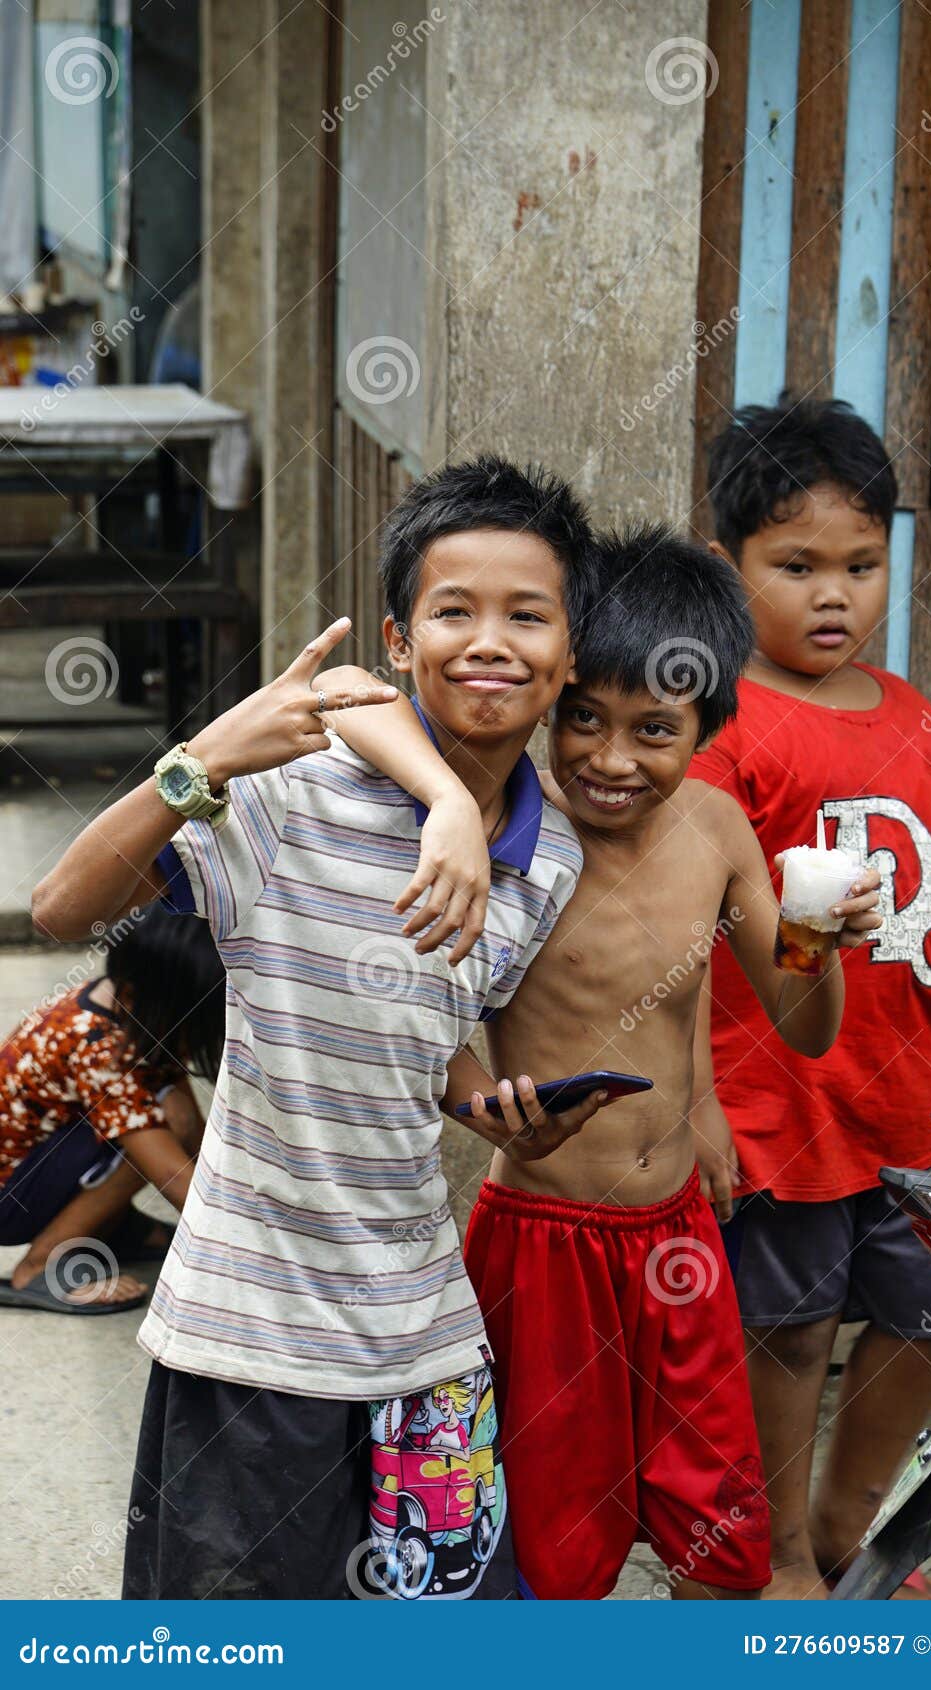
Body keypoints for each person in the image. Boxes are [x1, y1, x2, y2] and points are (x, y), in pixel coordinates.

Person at [31, 455, 605, 1602]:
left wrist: (490, 1109)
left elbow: (420, 1024)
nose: (489, 640)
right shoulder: (298, 799)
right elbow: (60, 909)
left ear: (570, 654)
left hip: (426, 1336)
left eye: (526, 615)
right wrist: (200, 764)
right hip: (252, 1331)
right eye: (455, 611)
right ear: (400, 641)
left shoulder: (549, 859)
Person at [328, 523, 882, 1599]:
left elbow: (796, 1027)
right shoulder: (504, 829)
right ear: (554, 696)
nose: (611, 759)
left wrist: (817, 945)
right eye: (584, 719)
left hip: (676, 1233)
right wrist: (478, 1103)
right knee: (547, 1532)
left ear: (707, 728)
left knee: (717, 1526)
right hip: (540, 1237)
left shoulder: (719, 830)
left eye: (653, 729)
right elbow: (420, 1013)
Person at [687, 394, 931, 1598]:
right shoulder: (723, 727)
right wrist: (695, 1094)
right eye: (795, 566)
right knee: (786, 1329)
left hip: (924, 1084)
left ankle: (851, 1523)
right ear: (728, 568)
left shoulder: (908, 711)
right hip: (783, 1087)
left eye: (859, 564)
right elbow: (684, 924)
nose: (833, 595)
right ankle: (779, 1550)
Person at [0, 903, 222, 1314]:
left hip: (32, 1169)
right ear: (143, 995)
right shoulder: (98, 1046)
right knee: (152, 1129)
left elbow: (196, 1135)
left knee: (168, 1112)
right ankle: (41, 1265)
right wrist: (246, 1242)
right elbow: (172, 1175)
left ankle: (118, 1229)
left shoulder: (127, 1008)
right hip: (10, 1199)